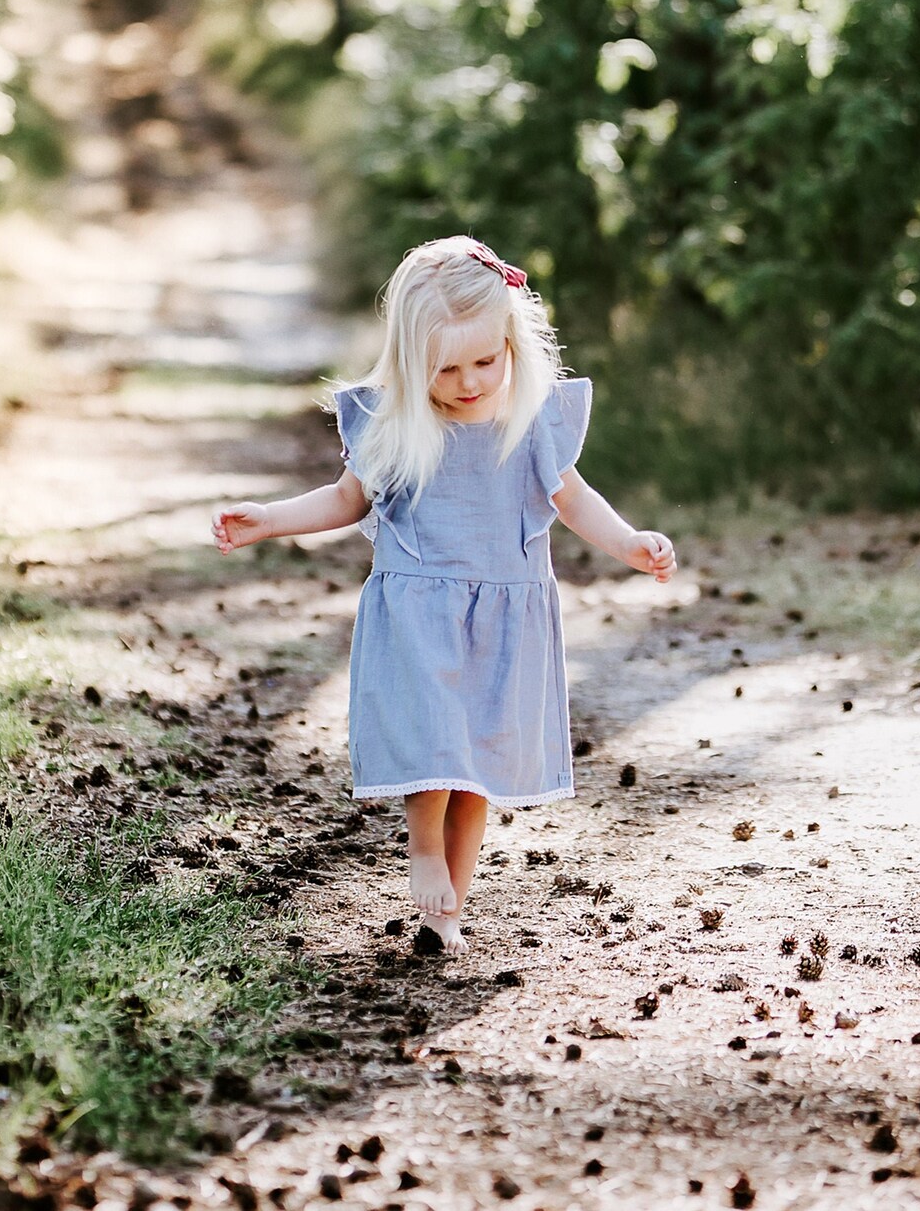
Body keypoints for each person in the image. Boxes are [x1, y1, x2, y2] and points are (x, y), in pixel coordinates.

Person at [212, 236, 676, 953]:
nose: (468, 381)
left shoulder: (532, 420)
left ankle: (446, 912)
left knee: (477, 769)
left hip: (504, 617)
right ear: (410, 361)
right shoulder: (398, 424)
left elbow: (576, 501)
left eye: (485, 361)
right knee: (435, 739)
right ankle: (422, 845)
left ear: (511, 343)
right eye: (446, 368)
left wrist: (630, 542)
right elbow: (344, 499)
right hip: (422, 614)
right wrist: (267, 520)